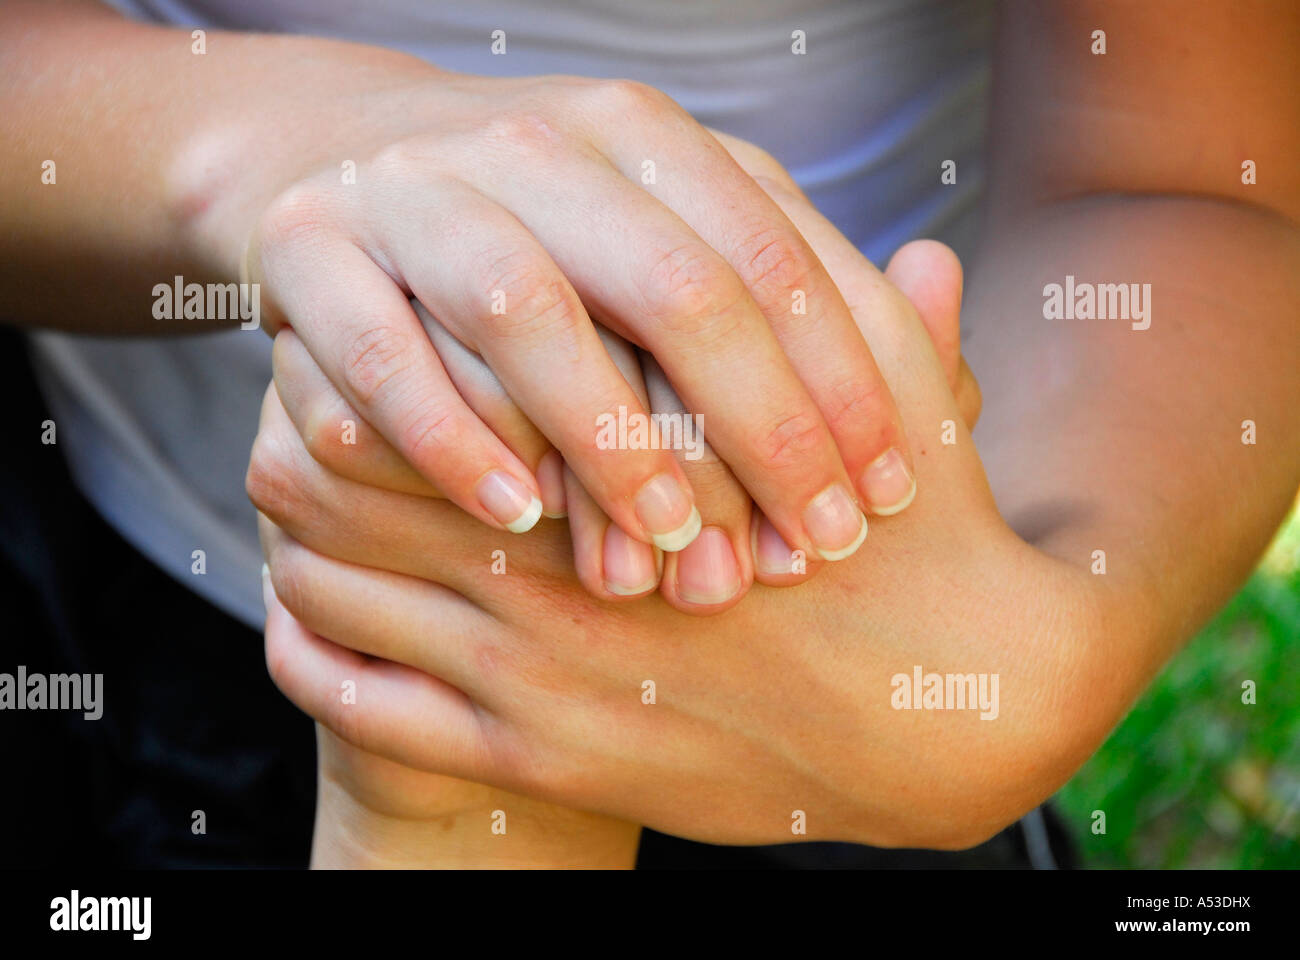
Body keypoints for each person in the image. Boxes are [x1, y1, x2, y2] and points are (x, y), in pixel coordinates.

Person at [3, 0, 1297, 868]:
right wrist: (269, 158)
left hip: (825, 660)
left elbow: (1187, 175)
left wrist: (1043, 638)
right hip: (81, 541)